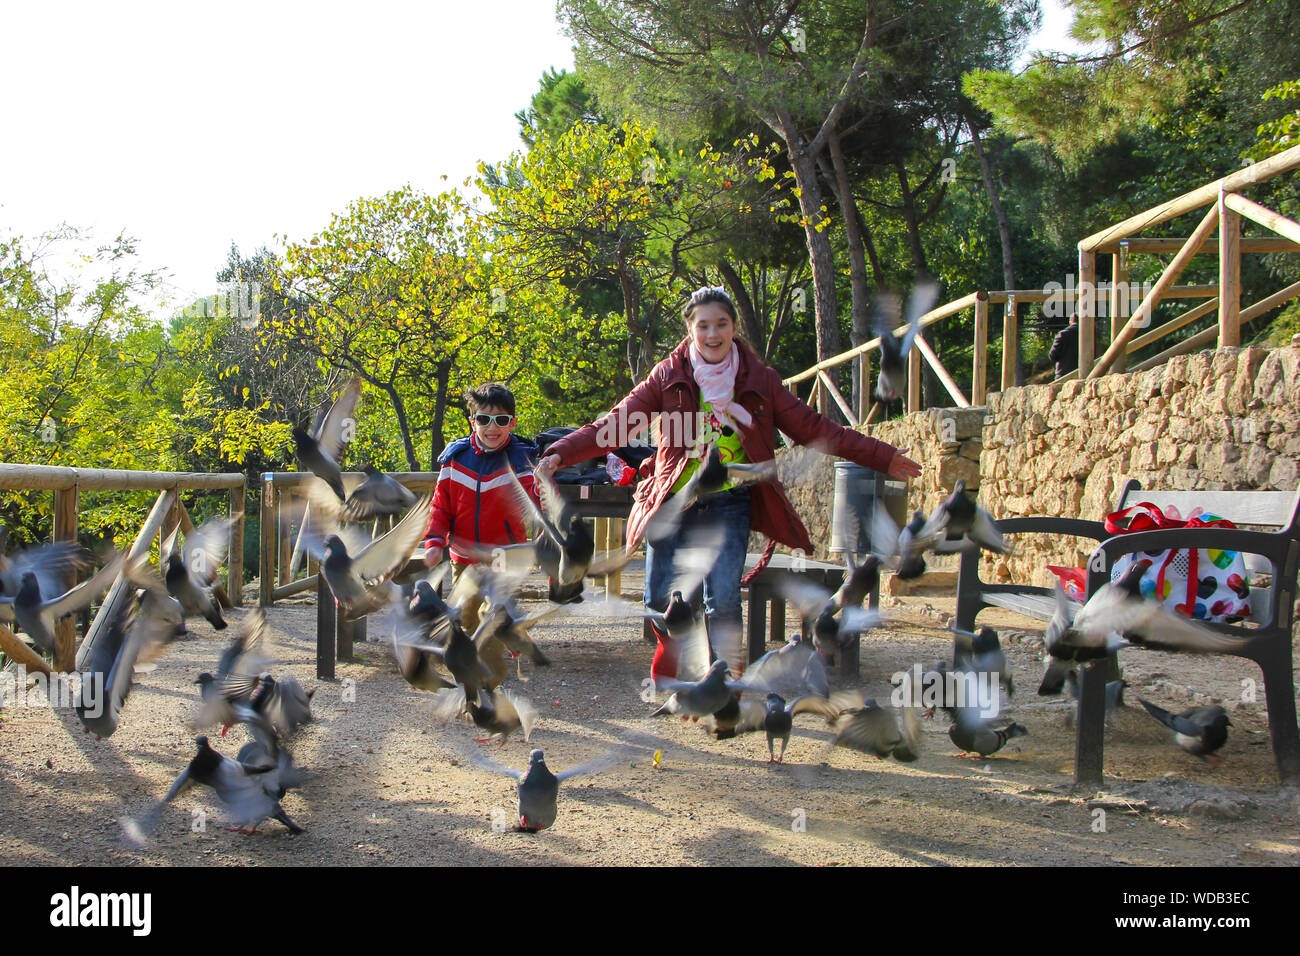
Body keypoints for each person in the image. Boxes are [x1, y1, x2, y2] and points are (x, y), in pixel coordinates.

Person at [534, 286, 921, 680]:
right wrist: (560, 453)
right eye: (703, 326)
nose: (713, 334)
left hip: (728, 502)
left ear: (734, 327)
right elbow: (613, 425)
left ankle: (723, 685)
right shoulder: (668, 375)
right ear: (690, 330)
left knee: (721, 600)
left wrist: (882, 456)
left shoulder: (759, 379)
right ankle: (676, 654)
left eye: (722, 324)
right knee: (658, 599)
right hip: (671, 500)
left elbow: (815, 428)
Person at [422, 383, 537, 634]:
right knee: (465, 621)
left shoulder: (520, 461)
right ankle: (470, 668)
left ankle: (497, 654)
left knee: (494, 618)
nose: (492, 427)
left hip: (504, 557)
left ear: (512, 423)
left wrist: (545, 489)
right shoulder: (455, 458)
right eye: (484, 419)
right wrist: (433, 540)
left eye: (501, 420)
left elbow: (538, 504)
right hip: (464, 557)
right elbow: (441, 506)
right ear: (472, 422)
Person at [1049, 312, 1079, 379]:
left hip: (1064, 373)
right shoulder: (1089, 334)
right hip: (1083, 372)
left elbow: (1052, 355)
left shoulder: (1062, 334)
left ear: (1070, 321)